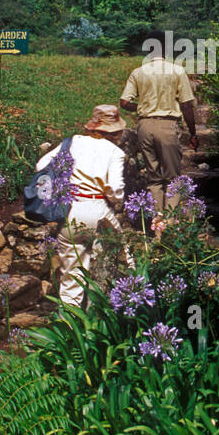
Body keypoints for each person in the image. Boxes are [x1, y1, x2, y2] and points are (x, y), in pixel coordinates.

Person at [36, 104, 132, 308]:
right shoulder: (115, 152)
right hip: (98, 209)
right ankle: (99, 321)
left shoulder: (72, 142)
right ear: (115, 131)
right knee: (120, 262)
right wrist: (118, 203)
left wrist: (58, 189)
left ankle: (69, 328)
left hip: (70, 210)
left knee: (71, 277)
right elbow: (115, 189)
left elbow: (41, 165)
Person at [119, 30, 199, 212]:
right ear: (167, 50)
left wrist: (140, 109)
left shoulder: (138, 72)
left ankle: (156, 223)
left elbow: (124, 102)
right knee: (173, 178)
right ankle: (170, 222)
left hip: (144, 126)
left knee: (153, 178)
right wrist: (193, 134)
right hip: (167, 125)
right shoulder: (177, 71)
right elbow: (187, 105)